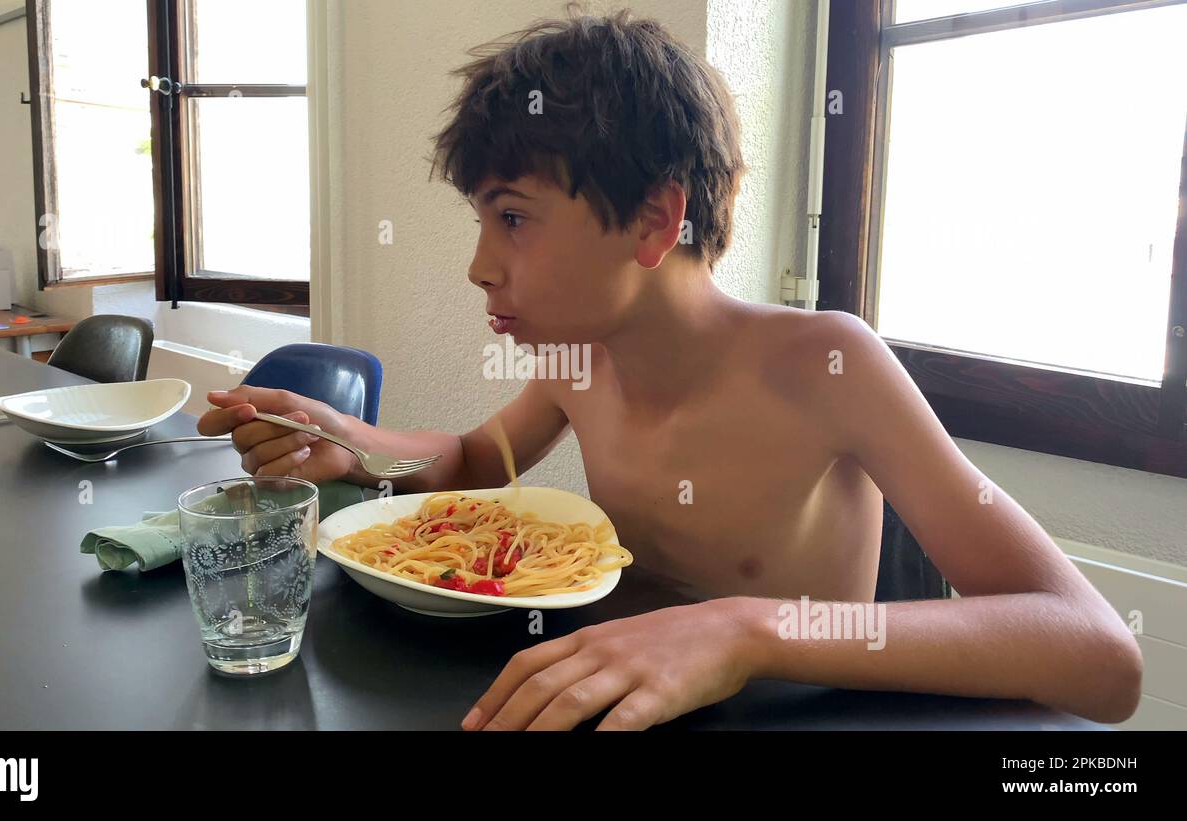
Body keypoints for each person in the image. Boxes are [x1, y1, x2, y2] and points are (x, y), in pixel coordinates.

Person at [197, 9, 1141, 730]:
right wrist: (349, 442)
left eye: (513, 218)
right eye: (482, 222)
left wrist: (745, 627)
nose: (480, 264)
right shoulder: (580, 356)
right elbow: (478, 459)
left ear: (655, 220)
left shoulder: (827, 363)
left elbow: (1100, 652)